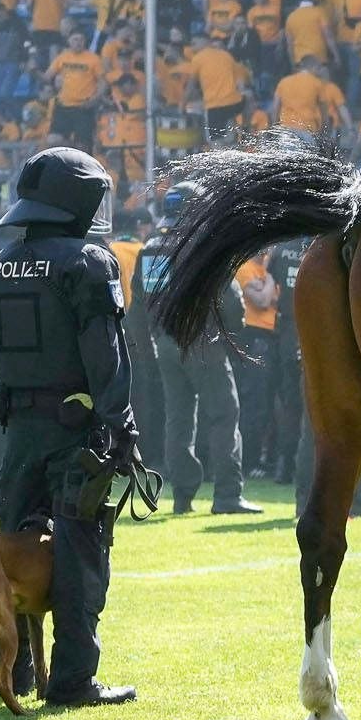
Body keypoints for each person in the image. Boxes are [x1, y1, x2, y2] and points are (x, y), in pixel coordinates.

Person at [0, 144, 139, 708]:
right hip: (77, 432)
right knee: (80, 553)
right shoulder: (90, 263)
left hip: (20, 429)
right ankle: (73, 681)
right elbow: (107, 358)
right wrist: (119, 428)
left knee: (14, 548)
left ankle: (15, 669)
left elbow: (1, 353)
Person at [149, 183, 256, 515]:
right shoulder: (206, 245)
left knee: (178, 420)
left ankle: (182, 496)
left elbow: (140, 303)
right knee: (224, 416)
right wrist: (233, 333)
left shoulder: (150, 246)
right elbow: (231, 302)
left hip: (165, 343)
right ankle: (227, 495)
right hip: (202, 342)